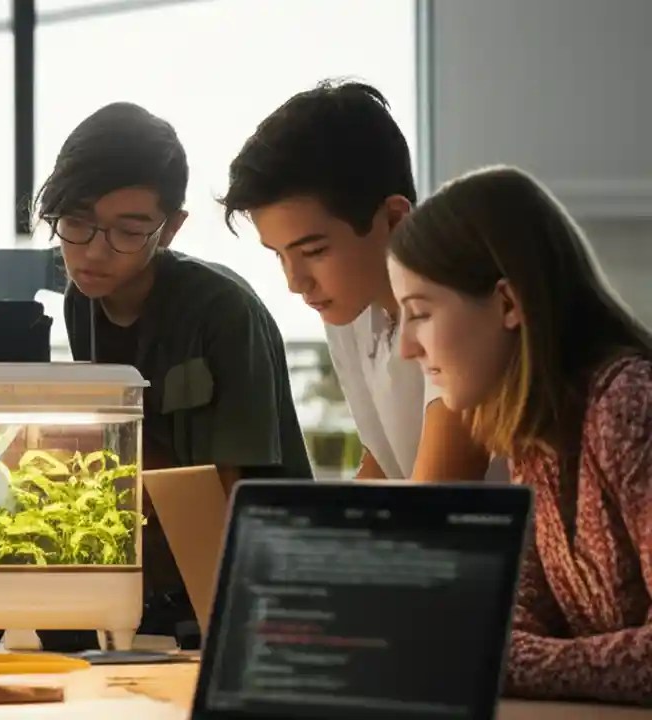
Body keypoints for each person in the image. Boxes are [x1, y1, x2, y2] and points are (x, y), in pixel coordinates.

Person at [36, 101, 313, 639]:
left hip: (250, 582)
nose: (94, 252)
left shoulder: (221, 309)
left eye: (128, 231)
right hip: (149, 579)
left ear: (170, 229)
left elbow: (237, 494)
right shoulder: (82, 299)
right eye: (76, 223)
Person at [389, 165, 652, 704]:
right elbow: (523, 615)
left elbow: (510, 650)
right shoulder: (532, 434)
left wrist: (488, 656)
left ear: (509, 304)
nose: (406, 348)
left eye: (419, 313)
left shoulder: (628, 404)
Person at [220, 79, 497, 482]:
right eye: (279, 254)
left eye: (314, 252)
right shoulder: (350, 310)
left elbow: (437, 502)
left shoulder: (458, 310)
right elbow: (384, 462)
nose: (296, 283)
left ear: (394, 220)